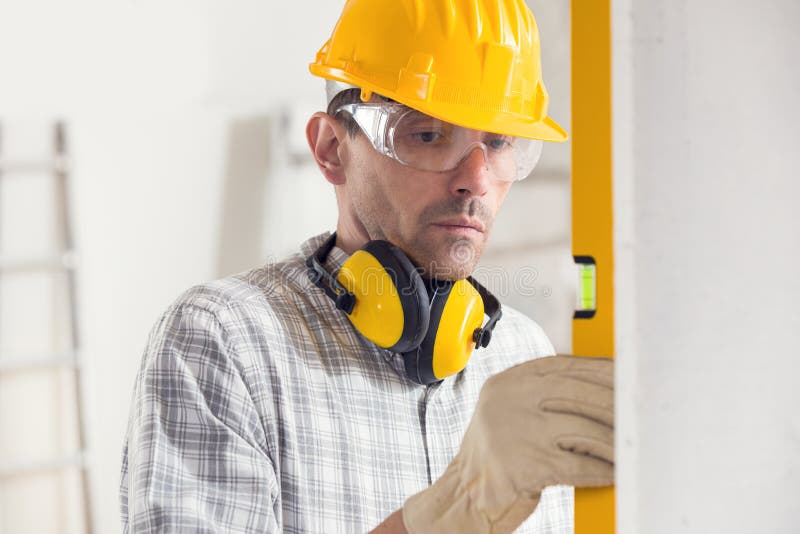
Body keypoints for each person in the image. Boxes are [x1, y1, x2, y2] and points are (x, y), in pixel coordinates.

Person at [120, 1, 614, 533]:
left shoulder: (524, 356)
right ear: (332, 148)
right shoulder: (224, 343)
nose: (477, 179)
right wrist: (448, 513)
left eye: (497, 143)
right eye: (427, 134)